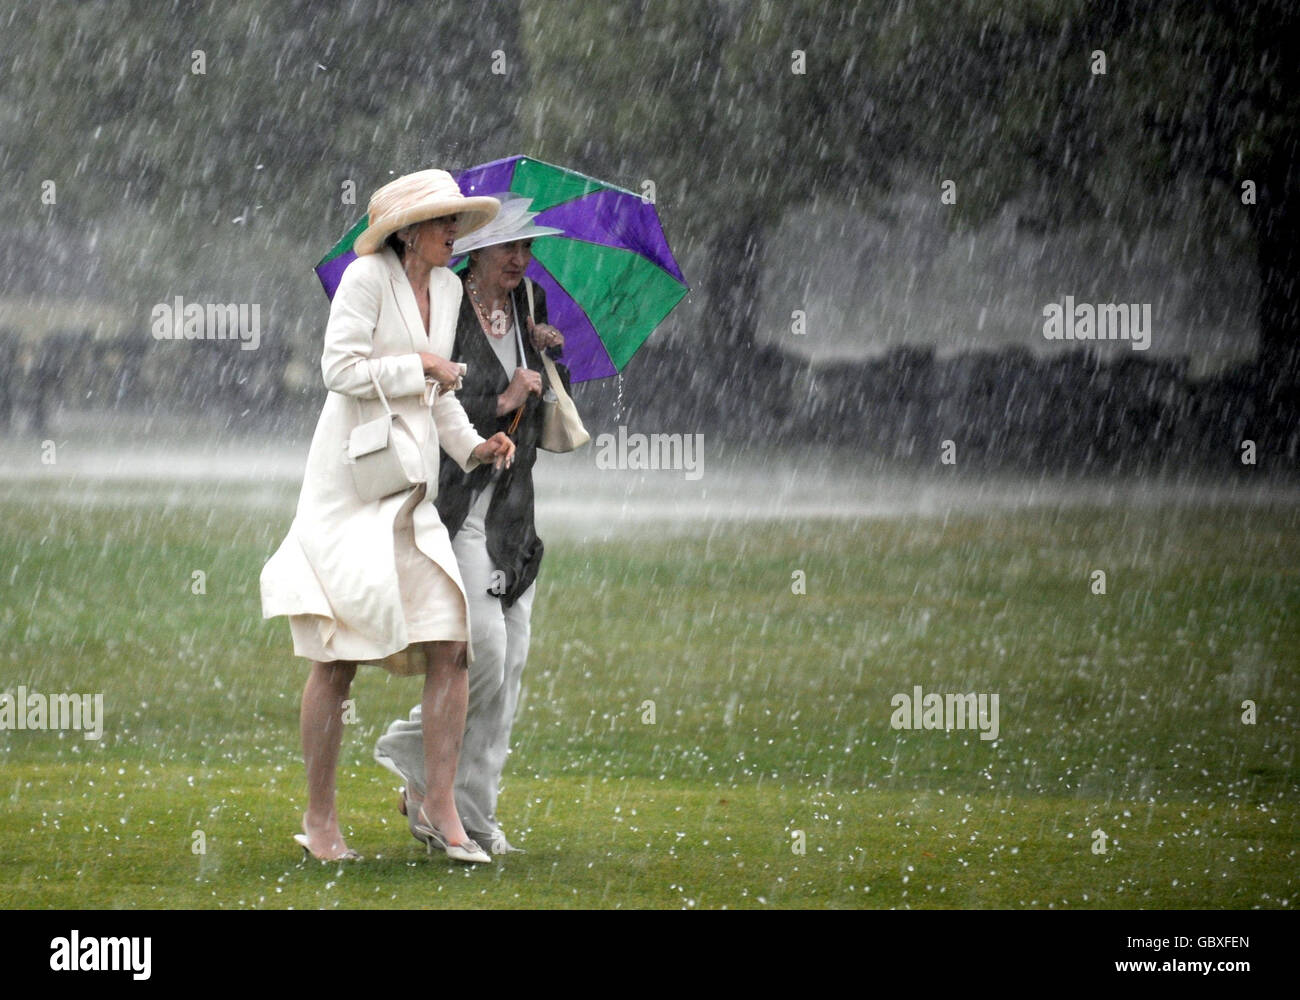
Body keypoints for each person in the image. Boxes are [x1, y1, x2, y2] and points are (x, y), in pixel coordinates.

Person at [260, 169, 515, 864]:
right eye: (442, 223)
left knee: (453, 645)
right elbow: (338, 370)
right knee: (336, 661)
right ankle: (319, 821)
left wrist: (473, 445)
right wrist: (419, 365)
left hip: (411, 496)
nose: (454, 233)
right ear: (408, 231)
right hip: (349, 491)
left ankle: (441, 810)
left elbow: (438, 396)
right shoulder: (365, 279)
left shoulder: (448, 288)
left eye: (455, 221)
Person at [373, 196, 569, 854]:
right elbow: (431, 401)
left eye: (527, 247)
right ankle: (419, 761)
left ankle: (474, 816)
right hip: (457, 509)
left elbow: (542, 415)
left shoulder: (530, 306)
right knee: (477, 654)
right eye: (508, 247)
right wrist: (500, 399)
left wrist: (551, 362)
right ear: (475, 251)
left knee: (509, 666)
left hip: (516, 517)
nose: (520, 259)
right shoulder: (446, 305)